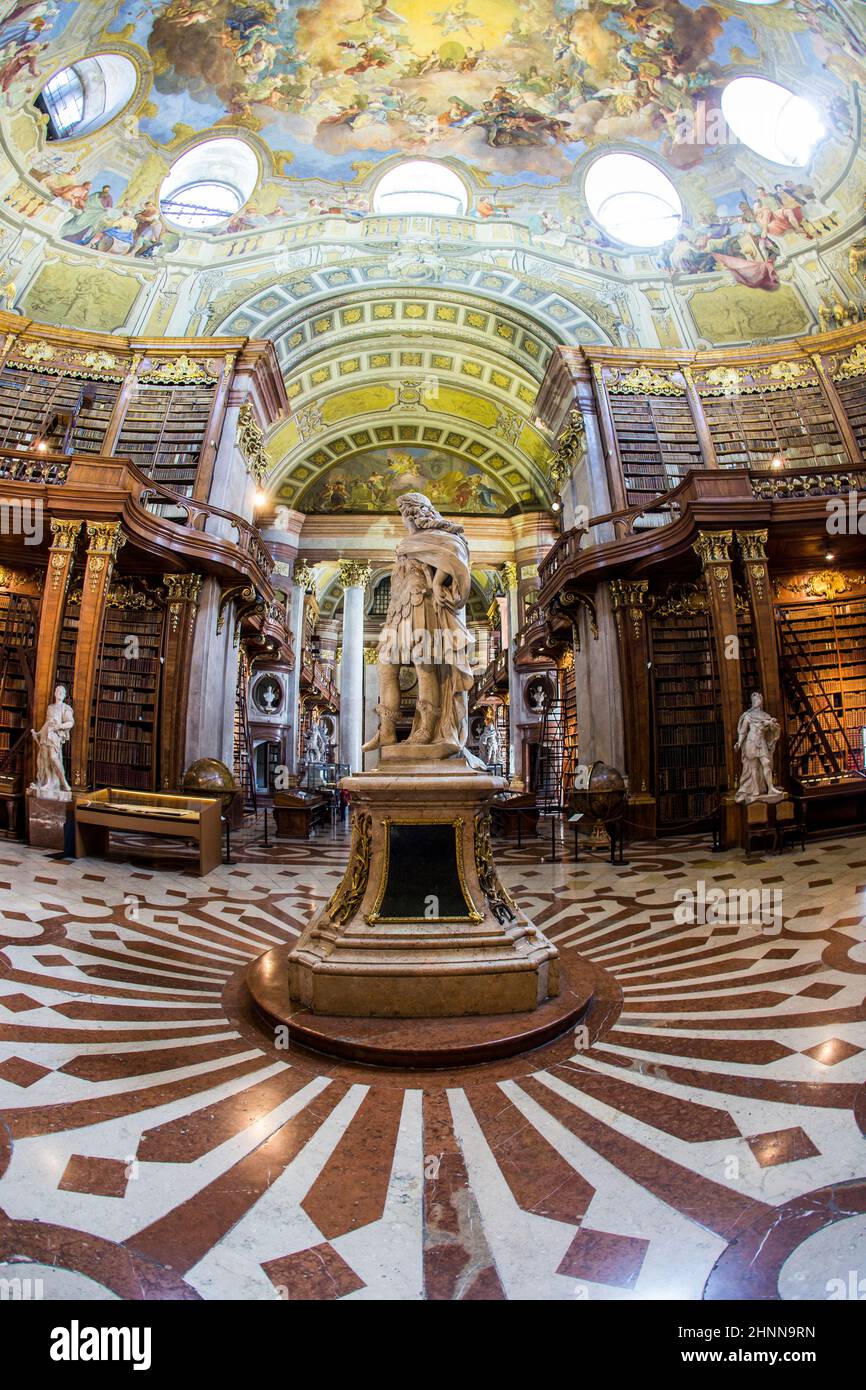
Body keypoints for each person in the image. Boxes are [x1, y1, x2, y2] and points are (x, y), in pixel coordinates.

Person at [362, 491, 477, 757]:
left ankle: (427, 730)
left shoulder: (438, 536)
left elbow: (455, 554)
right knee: (385, 666)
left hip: (421, 605)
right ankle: (388, 730)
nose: (404, 520)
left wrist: (437, 582)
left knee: (425, 666)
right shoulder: (409, 542)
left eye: (405, 513)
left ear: (417, 513)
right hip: (398, 608)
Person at [735, 692, 783, 803]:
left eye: (759, 699)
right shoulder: (748, 715)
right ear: (753, 702)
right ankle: (756, 789)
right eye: (755, 700)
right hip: (751, 742)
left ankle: (770, 788)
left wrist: (772, 724)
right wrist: (739, 742)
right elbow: (743, 731)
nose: (757, 701)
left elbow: (773, 731)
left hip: (762, 743)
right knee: (754, 767)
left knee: (766, 763)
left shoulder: (766, 716)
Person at [29, 685, 74, 796]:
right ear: (54, 693)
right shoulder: (50, 707)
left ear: (64, 695)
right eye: (57, 691)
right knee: (45, 759)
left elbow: (70, 723)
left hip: (55, 735)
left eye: (62, 692)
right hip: (45, 734)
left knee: (54, 758)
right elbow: (47, 723)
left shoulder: (66, 708)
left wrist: (59, 726)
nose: (59, 692)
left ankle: (63, 781)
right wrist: (38, 733)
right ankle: (49, 781)